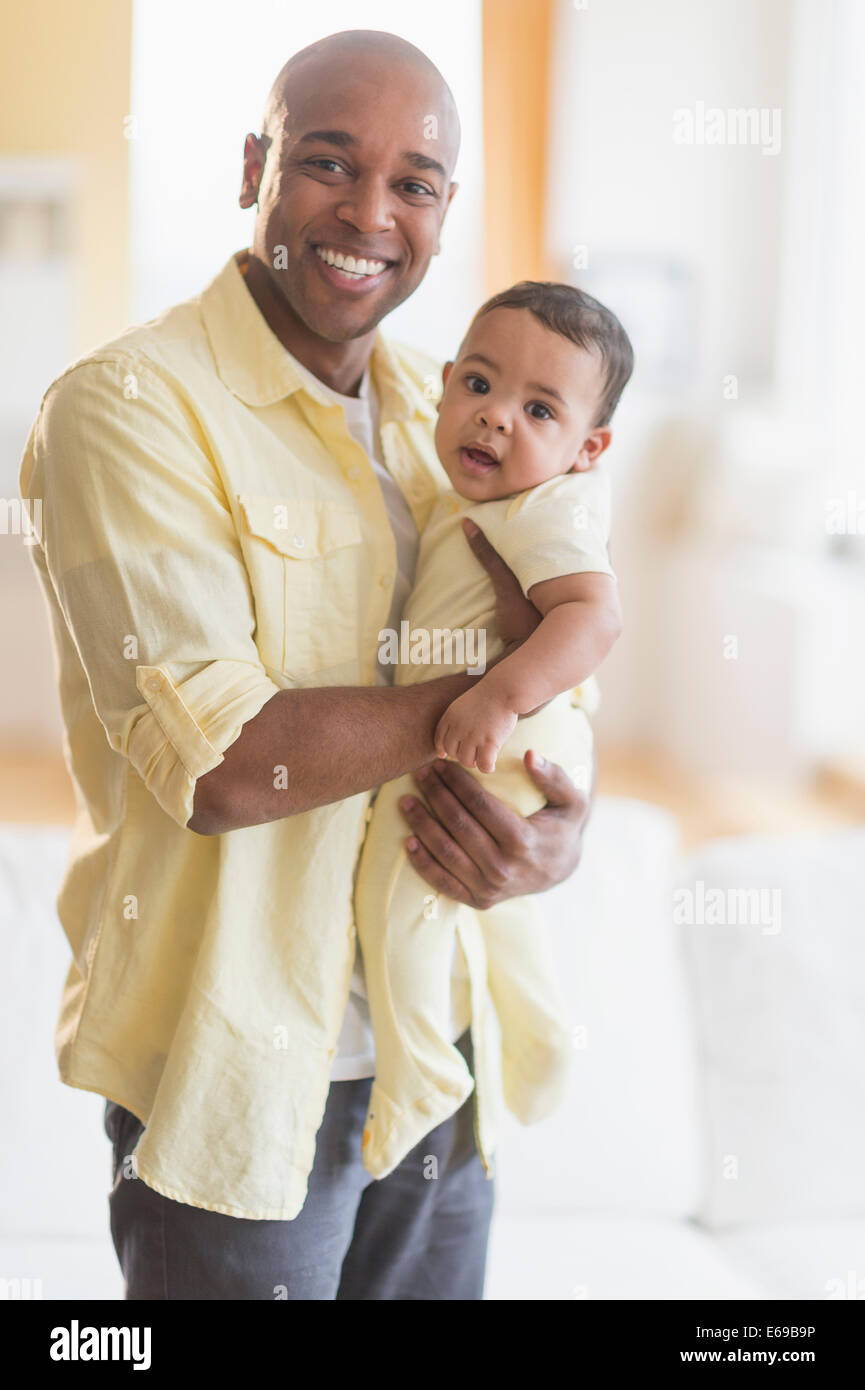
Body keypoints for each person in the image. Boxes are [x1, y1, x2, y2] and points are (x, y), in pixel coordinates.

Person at [18, 29, 595, 1300]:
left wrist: (552, 831)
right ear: (254, 169)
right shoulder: (124, 409)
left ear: (445, 214)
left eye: (416, 183)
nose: (369, 213)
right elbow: (223, 763)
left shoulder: (437, 411)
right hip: (241, 1080)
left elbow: (554, 660)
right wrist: (497, 702)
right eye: (328, 162)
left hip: (436, 1049)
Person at [356, 280, 632, 1179]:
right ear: (442, 385)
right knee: (498, 917)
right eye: (478, 385)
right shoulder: (481, 502)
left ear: (586, 449)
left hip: (492, 742)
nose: (494, 419)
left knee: (394, 903)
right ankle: (540, 1037)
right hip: (516, 746)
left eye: (538, 409)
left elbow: (592, 619)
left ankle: (419, 1077)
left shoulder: (548, 507)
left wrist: (496, 695)